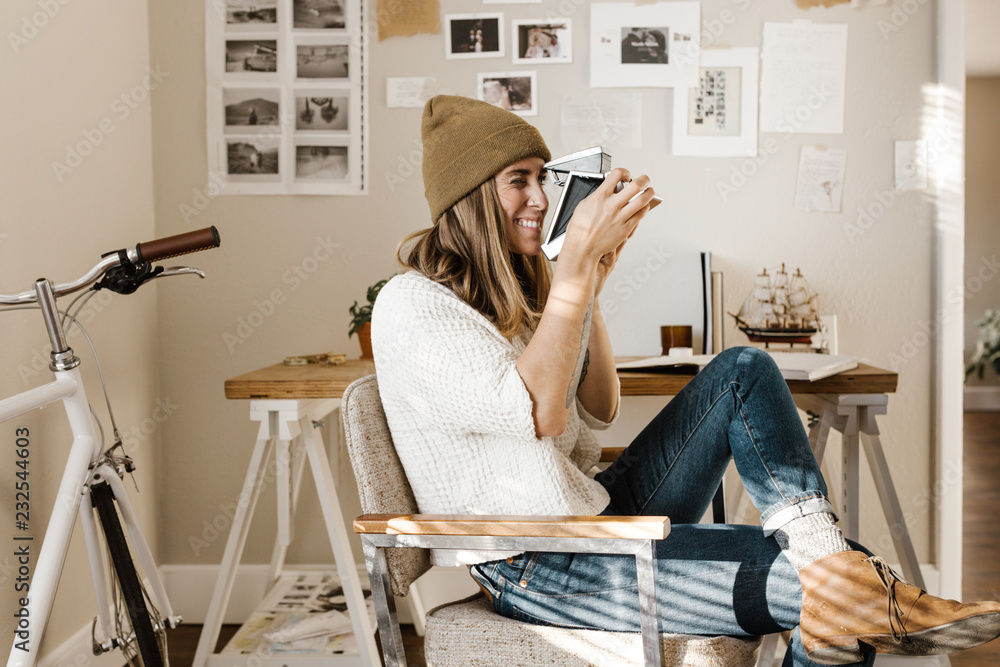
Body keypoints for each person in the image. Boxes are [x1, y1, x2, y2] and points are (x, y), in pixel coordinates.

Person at [370, 95, 1000, 666]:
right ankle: (841, 578)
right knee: (834, 593)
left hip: (588, 517)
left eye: (543, 176)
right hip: (538, 564)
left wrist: (592, 281)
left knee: (744, 369)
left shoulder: (515, 293)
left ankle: (827, 559)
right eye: (519, 181)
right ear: (473, 196)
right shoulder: (412, 305)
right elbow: (541, 414)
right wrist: (571, 278)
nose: (541, 197)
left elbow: (599, 406)